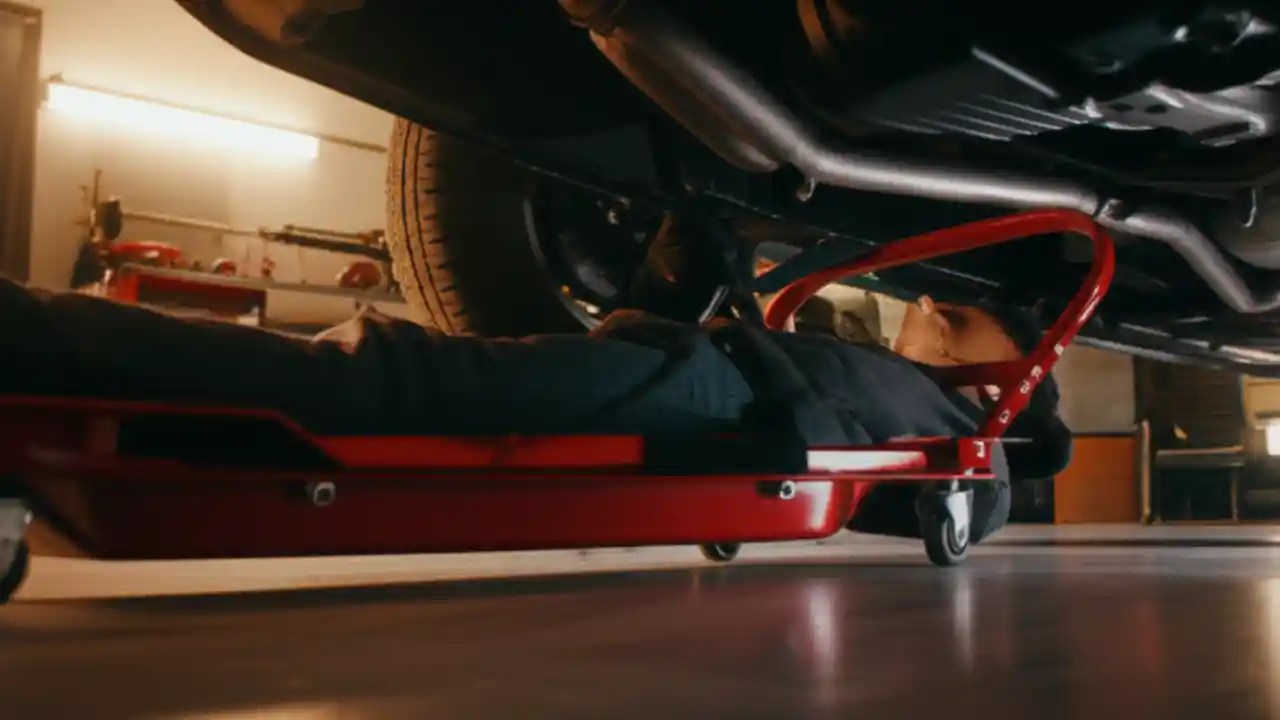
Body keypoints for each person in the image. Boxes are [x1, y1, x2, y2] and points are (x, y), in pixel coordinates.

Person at [0, 216, 1071, 543]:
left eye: (957, 316)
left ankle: (32, 338)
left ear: (1002, 382)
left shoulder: (962, 431)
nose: (927, 311)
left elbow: (984, 493)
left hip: (708, 392)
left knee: (386, 391)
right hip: (698, 373)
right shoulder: (909, 395)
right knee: (390, 387)